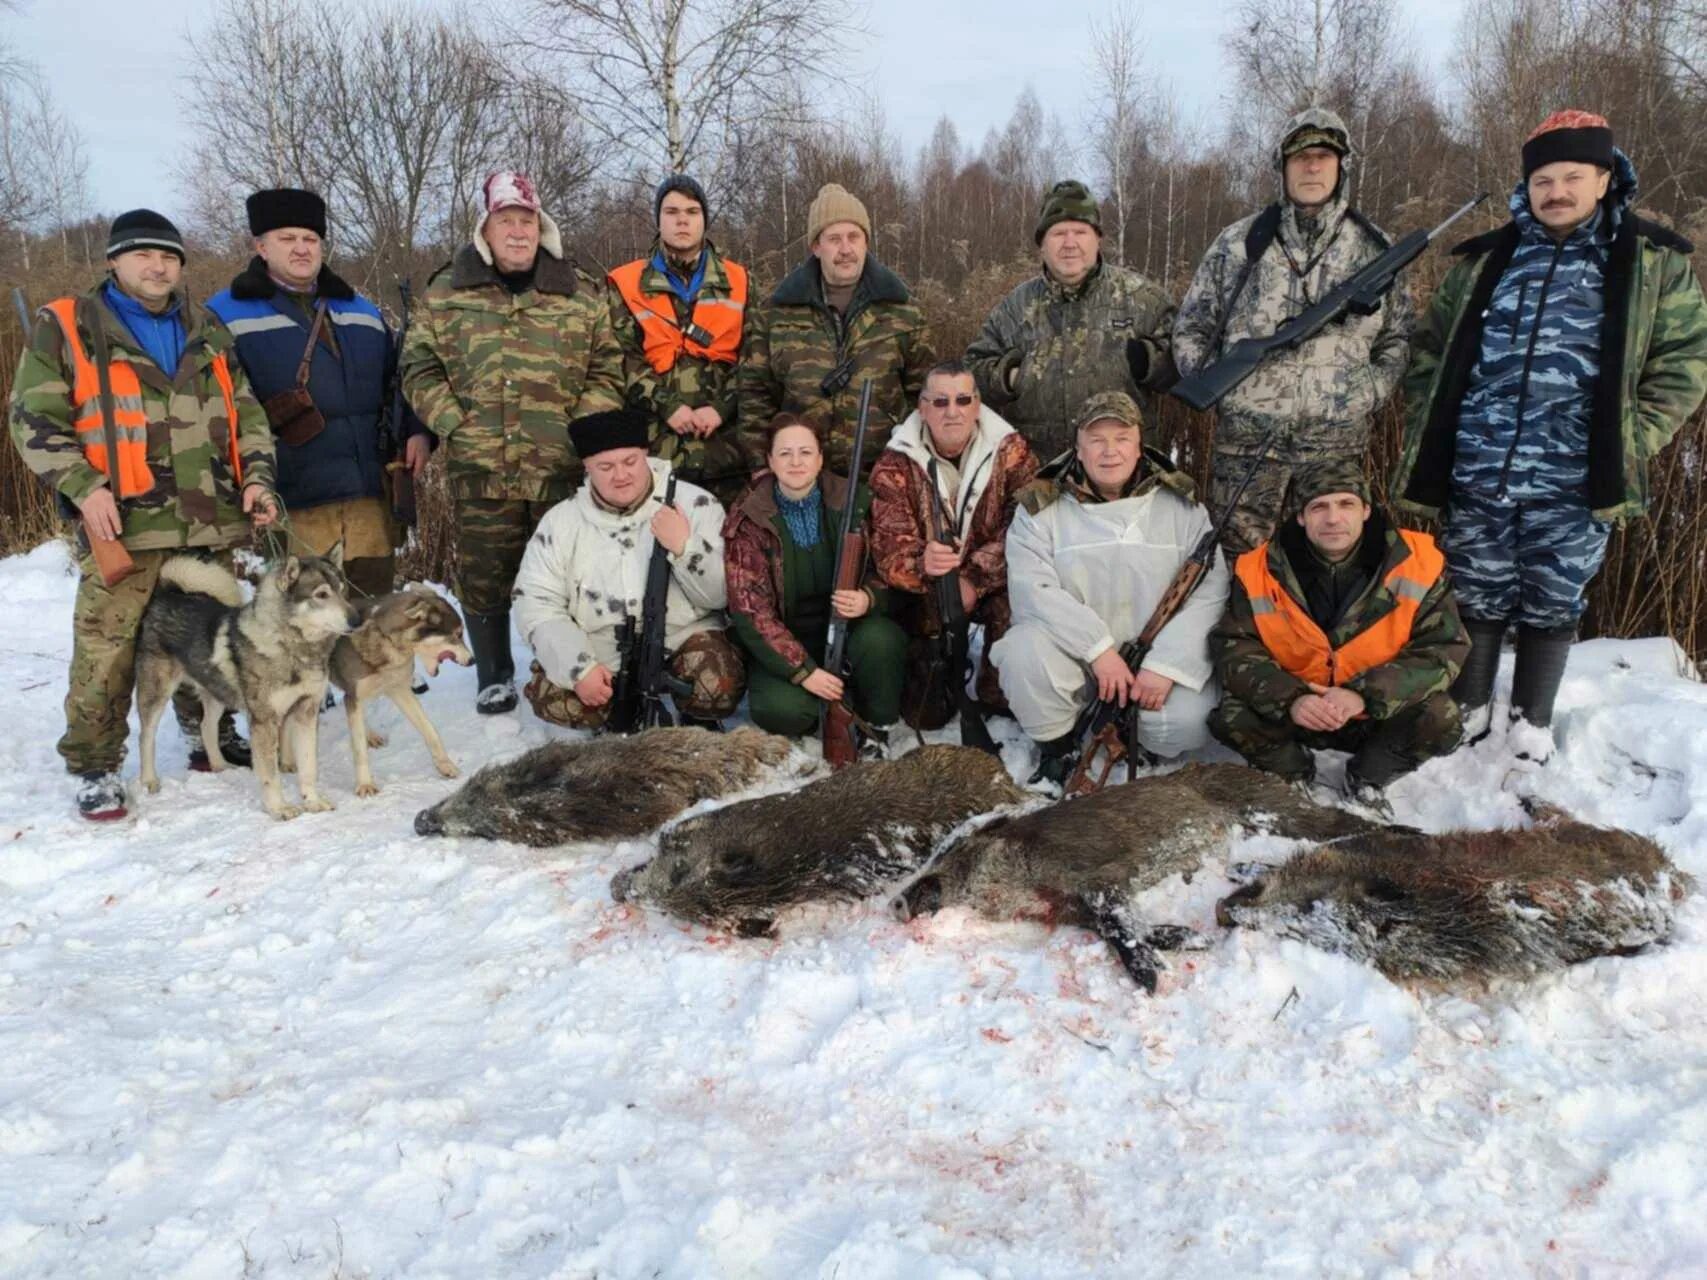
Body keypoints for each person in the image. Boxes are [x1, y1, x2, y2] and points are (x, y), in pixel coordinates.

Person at [1394, 110, 1707, 762]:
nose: (1555, 191)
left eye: (1572, 176)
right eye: (1542, 178)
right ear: (1527, 185)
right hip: (1477, 468)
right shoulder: (1485, 261)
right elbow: (1429, 355)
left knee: (1553, 596)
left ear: (1603, 179)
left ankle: (1530, 724)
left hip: (1575, 474)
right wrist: (1440, 425)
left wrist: (1629, 440)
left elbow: (1683, 366)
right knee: (1473, 590)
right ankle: (1469, 712)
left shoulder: (1650, 264)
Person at [8, 209, 279, 820]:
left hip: (206, 517)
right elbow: (33, 419)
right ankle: (97, 765)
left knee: (209, 637)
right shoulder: (71, 326)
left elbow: (249, 416)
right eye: (143, 255)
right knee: (108, 647)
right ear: (113, 261)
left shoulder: (205, 325)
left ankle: (206, 733)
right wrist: (84, 486)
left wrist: (258, 480)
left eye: (170, 257)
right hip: (121, 520)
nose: (158, 267)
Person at [401, 170, 625, 714]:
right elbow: (416, 366)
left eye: (527, 221)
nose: (518, 232)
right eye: (507, 221)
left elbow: (609, 368)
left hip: (559, 467)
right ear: (487, 229)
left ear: (541, 227)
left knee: (566, 575)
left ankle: (562, 668)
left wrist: (581, 429)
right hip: (481, 466)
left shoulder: (580, 293)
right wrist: (453, 422)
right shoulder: (447, 292)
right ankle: (495, 674)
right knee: (485, 574)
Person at [1173, 107, 1412, 557]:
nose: (1313, 166)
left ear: (1342, 167)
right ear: (1281, 167)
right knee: (1239, 571)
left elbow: (1398, 336)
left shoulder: (1376, 249)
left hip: (1334, 450)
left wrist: (1370, 391)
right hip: (1246, 448)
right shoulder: (1239, 242)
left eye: (1324, 155)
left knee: (1325, 570)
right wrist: (1220, 388)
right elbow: (1192, 325)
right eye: (1300, 157)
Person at [993, 391, 1227, 784]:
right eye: (1097, 440)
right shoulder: (1039, 510)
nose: (1110, 451)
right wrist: (1098, 650)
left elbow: (1211, 591)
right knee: (1021, 654)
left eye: (1121, 439)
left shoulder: (1184, 509)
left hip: (1150, 666)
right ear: (1079, 449)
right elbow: (1033, 589)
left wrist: (1165, 665)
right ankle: (1057, 745)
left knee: (1189, 722)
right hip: (1076, 658)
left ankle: (1143, 739)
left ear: (1139, 446)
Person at [208, 187, 429, 599]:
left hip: (368, 499)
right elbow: (217, 410)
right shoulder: (225, 314)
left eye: (310, 239)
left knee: (371, 616)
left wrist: (417, 430)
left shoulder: (360, 309)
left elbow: (401, 381)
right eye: (287, 239)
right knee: (303, 625)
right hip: (296, 500)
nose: (301, 249)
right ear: (260, 245)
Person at [1209, 460, 1468, 802]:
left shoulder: (1418, 562)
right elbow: (1235, 646)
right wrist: (1293, 698)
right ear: (1300, 517)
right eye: (1318, 507)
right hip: (1297, 711)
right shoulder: (1258, 568)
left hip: (1374, 714)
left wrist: (1363, 695)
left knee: (1440, 718)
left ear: (1365, 510)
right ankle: (1291, 774)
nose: (1333, 519)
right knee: (1231, 717)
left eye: (1346, 504)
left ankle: (1368, 778)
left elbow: (1443, 649)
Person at [510, 408, 744, 729]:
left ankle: (696, 715)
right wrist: (579, 669)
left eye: (630, 462)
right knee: (554, 699)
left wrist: (685, 548)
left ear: (646, 454)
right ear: (587, 467)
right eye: (605, 466)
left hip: (682, 636)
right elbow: (536, 604)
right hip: (601, 647)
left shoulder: (695, 504)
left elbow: (721, 597)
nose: (620, 475)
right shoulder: (561, 522)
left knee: (717, 685)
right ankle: (617, 706)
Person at [868, 358, 1040, 716]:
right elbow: (888, 546)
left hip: (994, 581)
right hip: (928, 588)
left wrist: (975, 578)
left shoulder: (1012, 452)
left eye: (963, 400)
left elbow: (1028, 529)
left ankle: (996, 694)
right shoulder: (894, 463)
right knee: (927, 713)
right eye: (940, 401)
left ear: (977, 405)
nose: (953, 412)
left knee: (1023, 601)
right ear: (923, 407)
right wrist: (921, 563)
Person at [723, 413, 908, 744]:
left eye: (806, 452)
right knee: (779, 710)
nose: (796, 462)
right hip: (786, 641)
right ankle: (827, 708)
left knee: (883, 641)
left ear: (820, 458)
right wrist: (804, 671)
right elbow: (750, 611)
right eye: (785, 453)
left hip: (850, 632)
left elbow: (892, 569)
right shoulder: (750, 517)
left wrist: (869, 597)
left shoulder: (858, 502)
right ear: (769, 460)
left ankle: (877, 723)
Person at [966, 180, 1177, 461]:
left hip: (1122, 473)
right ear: (1042, 244)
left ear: (1097, 238)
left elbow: (1185, 362)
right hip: (1038, 471)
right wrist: (1010, 376)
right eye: (1058, 233)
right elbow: (972, 372)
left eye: (1080, 232)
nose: (1069, 243)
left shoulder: (1142, 298)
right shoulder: (1016, 307)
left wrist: (1149, 362)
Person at [737, 183, 936, 477]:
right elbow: (754, 395)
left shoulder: (904, 312)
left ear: (866, 242)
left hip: (882, 478)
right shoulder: (775, 314)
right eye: (834, 239)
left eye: (853, 237)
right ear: (816, 246)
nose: (846, 249)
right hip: (800, 479)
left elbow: (925, 395)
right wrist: (760, 467)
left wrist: (916, 466)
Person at [607, 173, 750, 506]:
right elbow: (619, 358)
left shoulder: (740, 281)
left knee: (730, 551)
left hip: (727, 454)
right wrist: (667, 406)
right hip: (657, 454)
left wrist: (721, 408)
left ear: (704, 220)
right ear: (658, 220)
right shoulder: (626, 284)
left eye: (692, 211)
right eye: (671, 212)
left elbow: (756, 358)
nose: (682, 220)